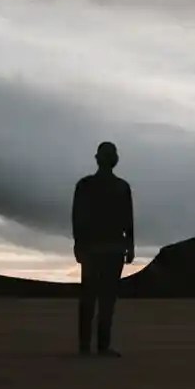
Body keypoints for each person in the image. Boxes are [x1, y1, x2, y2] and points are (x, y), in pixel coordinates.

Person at [72, 141, 134, 357]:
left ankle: (87, 345)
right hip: (107, 248)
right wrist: (130, 245)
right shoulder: (119, 186)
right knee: (104, 299)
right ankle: (98, 345)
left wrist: (78, 244)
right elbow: (128, 220)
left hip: (99, 248)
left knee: (92, 297)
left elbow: (77, 218)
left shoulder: (87, 185)